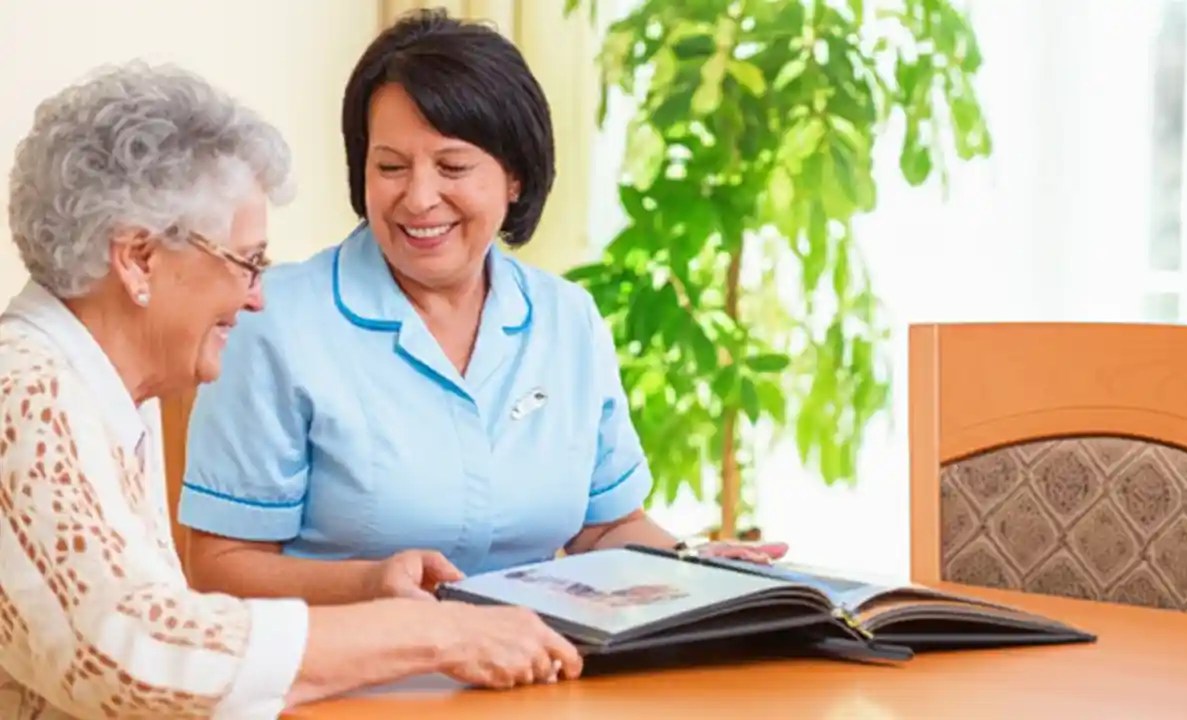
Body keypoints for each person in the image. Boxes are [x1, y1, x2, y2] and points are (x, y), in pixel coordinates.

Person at [0, 62, 583, 719]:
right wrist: (439, 633)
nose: (255, 297)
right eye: (245, 262)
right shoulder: (27, 394)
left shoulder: (92, 391)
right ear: (138, 259)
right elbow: (137, 652)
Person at [177, 7, 787, 607]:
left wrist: (698, 567)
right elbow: (220, 567)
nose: (418, 199)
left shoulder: (566, 320)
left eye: (452, 167)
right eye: (389, 166)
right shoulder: (273, 318)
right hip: (353, 683)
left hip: (530, 675)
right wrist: (369, 585)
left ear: (515, 175)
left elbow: (603, 529)